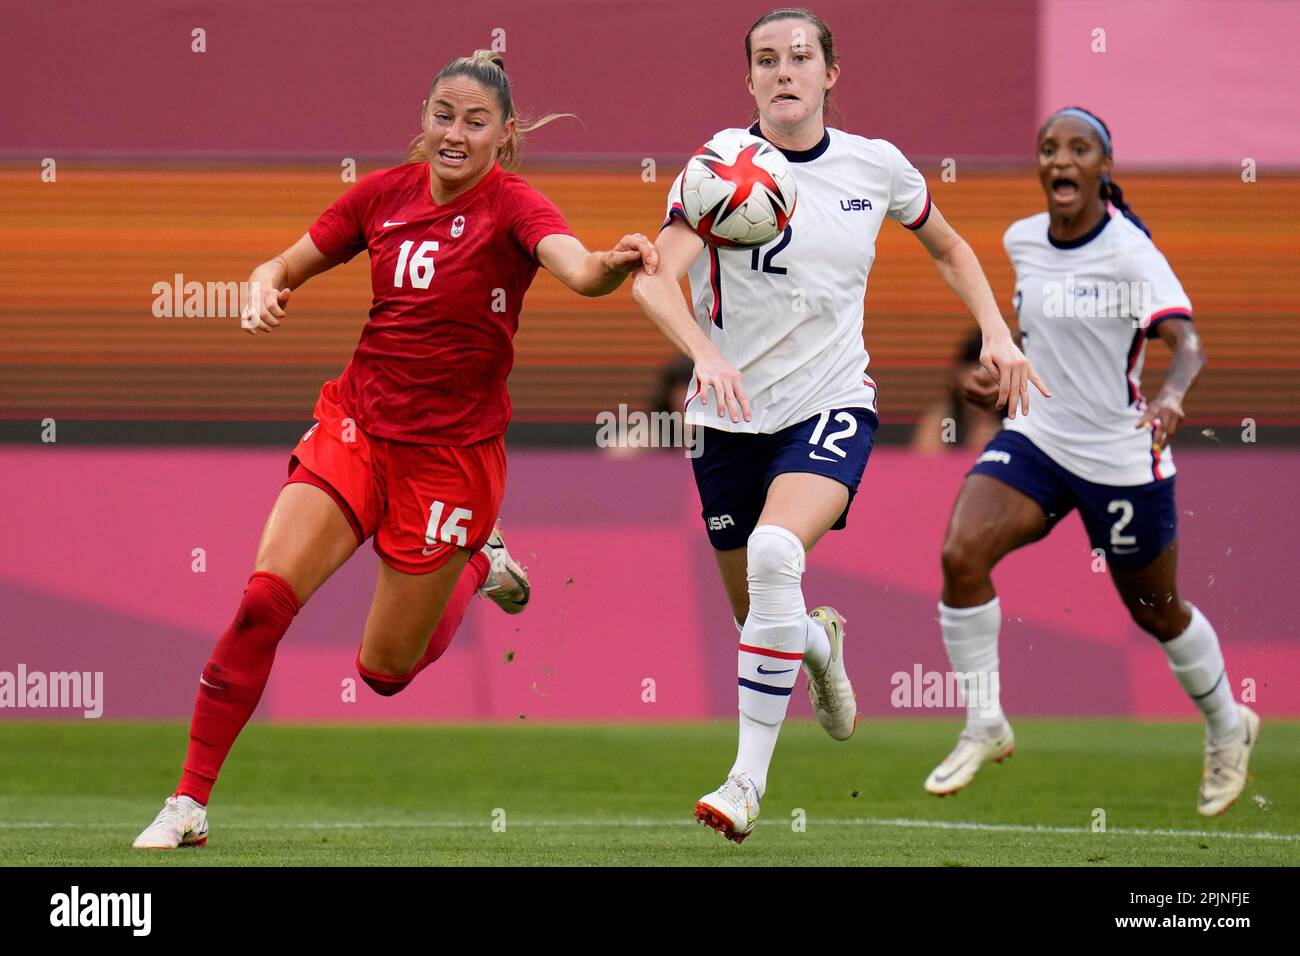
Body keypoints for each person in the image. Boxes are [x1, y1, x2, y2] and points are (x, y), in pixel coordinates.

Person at [133, 50, 658, 849]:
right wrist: (264, 284)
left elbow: (578, 270)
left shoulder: (515, 206)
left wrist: (610, 266)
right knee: (263, 601)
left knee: (382, 674)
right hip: (357, 427)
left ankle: (480, 563)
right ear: (424, 118)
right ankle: (188, 802)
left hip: (450, 461)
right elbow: (286, 262)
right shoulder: (382, 194)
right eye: (443, 116)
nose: (455, 134)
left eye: (475, 122)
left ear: (504, 134)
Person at [631, 7, 1047, 843]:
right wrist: (703, 353)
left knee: (775, 554)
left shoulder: (876, 166)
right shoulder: (718, 168)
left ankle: (746, 784)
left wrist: (997, 332)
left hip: (830, 404)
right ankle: (819, 646)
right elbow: (652, 279)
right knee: (759, 618)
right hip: (726, 418)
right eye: (766, 59)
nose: (784, 71)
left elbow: (950, 247)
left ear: (830, 73)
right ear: (749, 79)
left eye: (800, 56)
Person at [923, 107, 1258, 817]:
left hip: (1120, 453)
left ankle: (1229, 724)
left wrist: (1171, 397)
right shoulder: (1022, 240)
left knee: (1157, 613)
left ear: (1105, 167)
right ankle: (984, 722)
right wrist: (1002, 373)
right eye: (1049, 148)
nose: (1061, 159)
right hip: (1040, 437)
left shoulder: (1131, 253)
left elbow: (1188, 343)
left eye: (1080, 149)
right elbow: (1039, 337)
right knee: (960, 555)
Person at [910, 330, 1005, 454]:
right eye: (970, 391)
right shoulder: (946, 420)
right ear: (957, 379)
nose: (981, 396)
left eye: (986, 386)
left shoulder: (1017, 418)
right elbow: (926, 458)